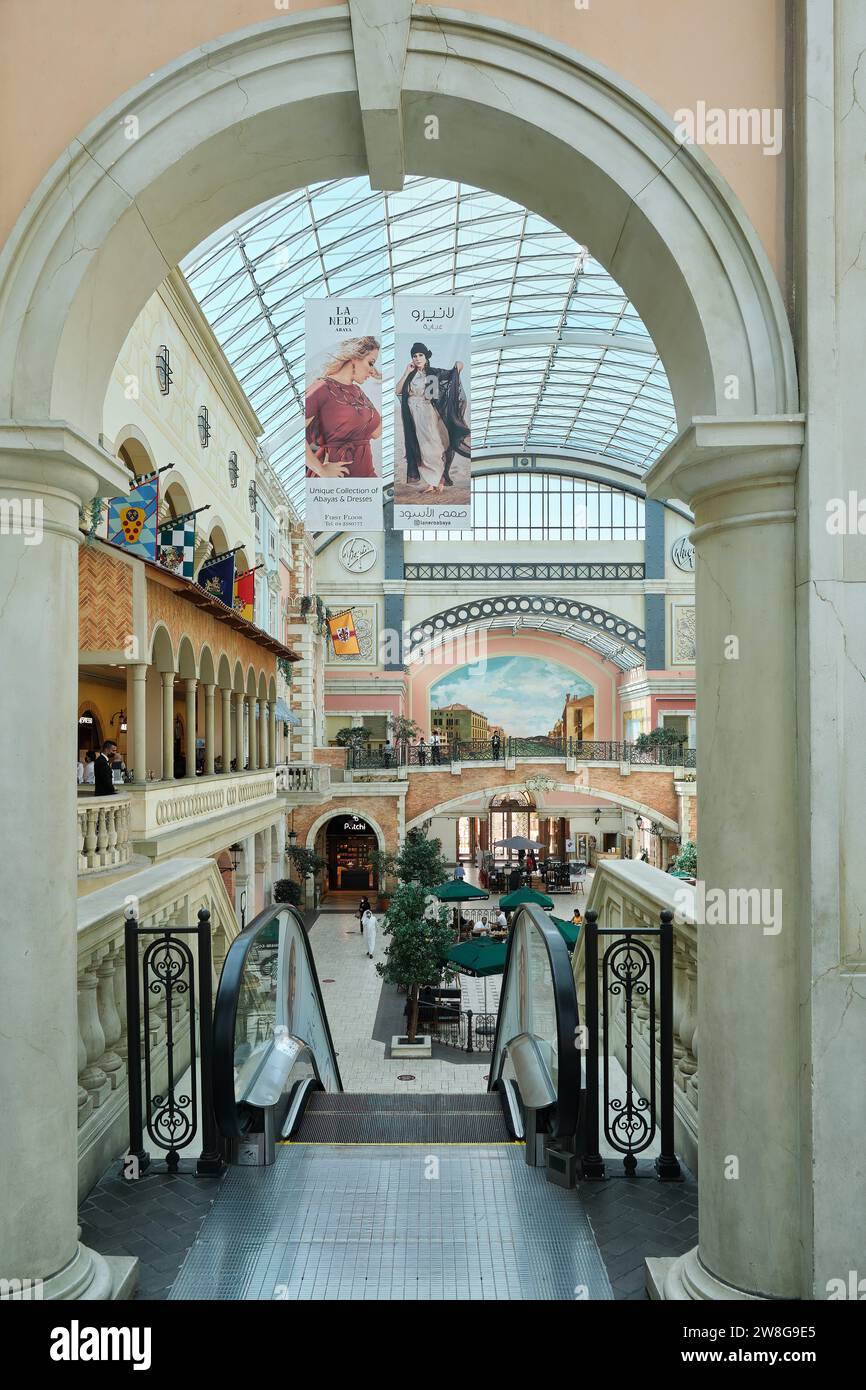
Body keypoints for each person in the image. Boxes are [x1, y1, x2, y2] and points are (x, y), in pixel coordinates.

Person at [395, 343, 470, 493]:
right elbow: (398, 391)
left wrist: (457, 368)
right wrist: (405, 372)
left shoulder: (433, 374)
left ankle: (440, 479)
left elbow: (433, 396)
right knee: (420, 448)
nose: (417, 358)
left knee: (434, 447)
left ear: (426, 356)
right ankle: (431, 483)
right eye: (414, 356)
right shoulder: (410, 375)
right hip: (412, 415)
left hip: (427, 412)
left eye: (420, 355)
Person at [305, 336, 382, 479]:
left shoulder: (358, 391)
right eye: (370, 363)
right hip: (339, 479)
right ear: (354, 357)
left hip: (367, 476)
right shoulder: (322, 388)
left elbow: (377, 433)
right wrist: (321, 469)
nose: (372, 371)